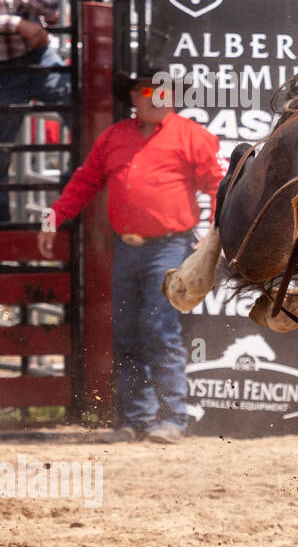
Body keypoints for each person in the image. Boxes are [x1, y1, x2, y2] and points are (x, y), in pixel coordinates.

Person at [37, 71, 224, 443]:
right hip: (127, 247)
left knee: (158, 329)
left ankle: (170, 419)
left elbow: (217, 184)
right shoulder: (114, 138)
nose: (157, 97)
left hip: (170, 247)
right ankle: (137, 420)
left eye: (164, 91)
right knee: (126, 333)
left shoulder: (191, 136)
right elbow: (86, 180)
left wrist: (213, 237)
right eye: (148, 91)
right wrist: (55, 214)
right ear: (134, 98)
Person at [0, 0, 65, 223]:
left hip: (36, 60)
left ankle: (80, 180)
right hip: (6, 67)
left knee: (79, 105)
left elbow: (52, 7)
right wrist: (19, 24)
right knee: (0, 155)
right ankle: (5, 237)